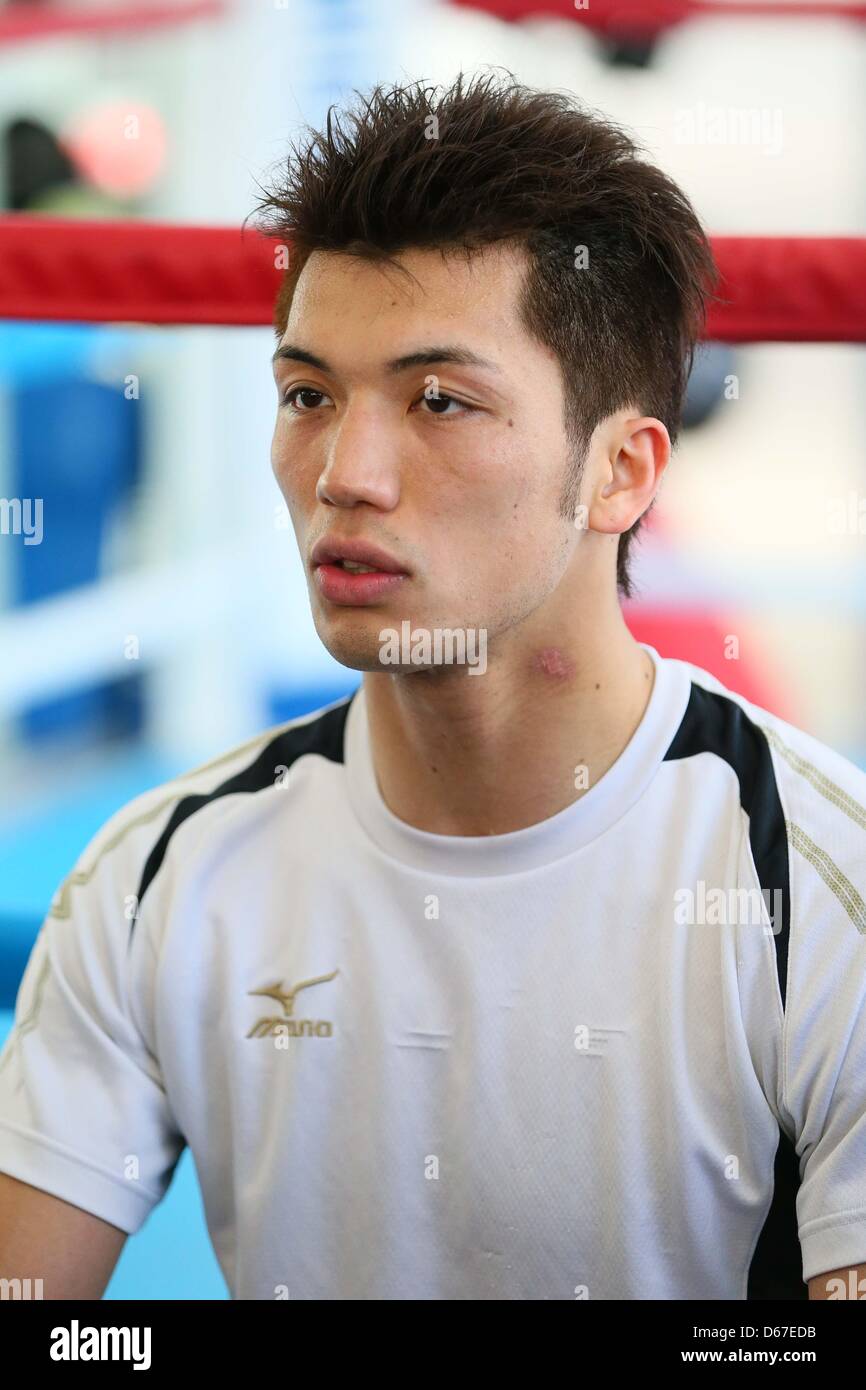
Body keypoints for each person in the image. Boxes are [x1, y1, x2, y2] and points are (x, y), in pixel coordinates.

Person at [1, 73, 864, 1302]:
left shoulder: (817, 892)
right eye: (307, 395)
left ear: (619, 472)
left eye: (440, 401)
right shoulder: (159, 870)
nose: (343, 473)